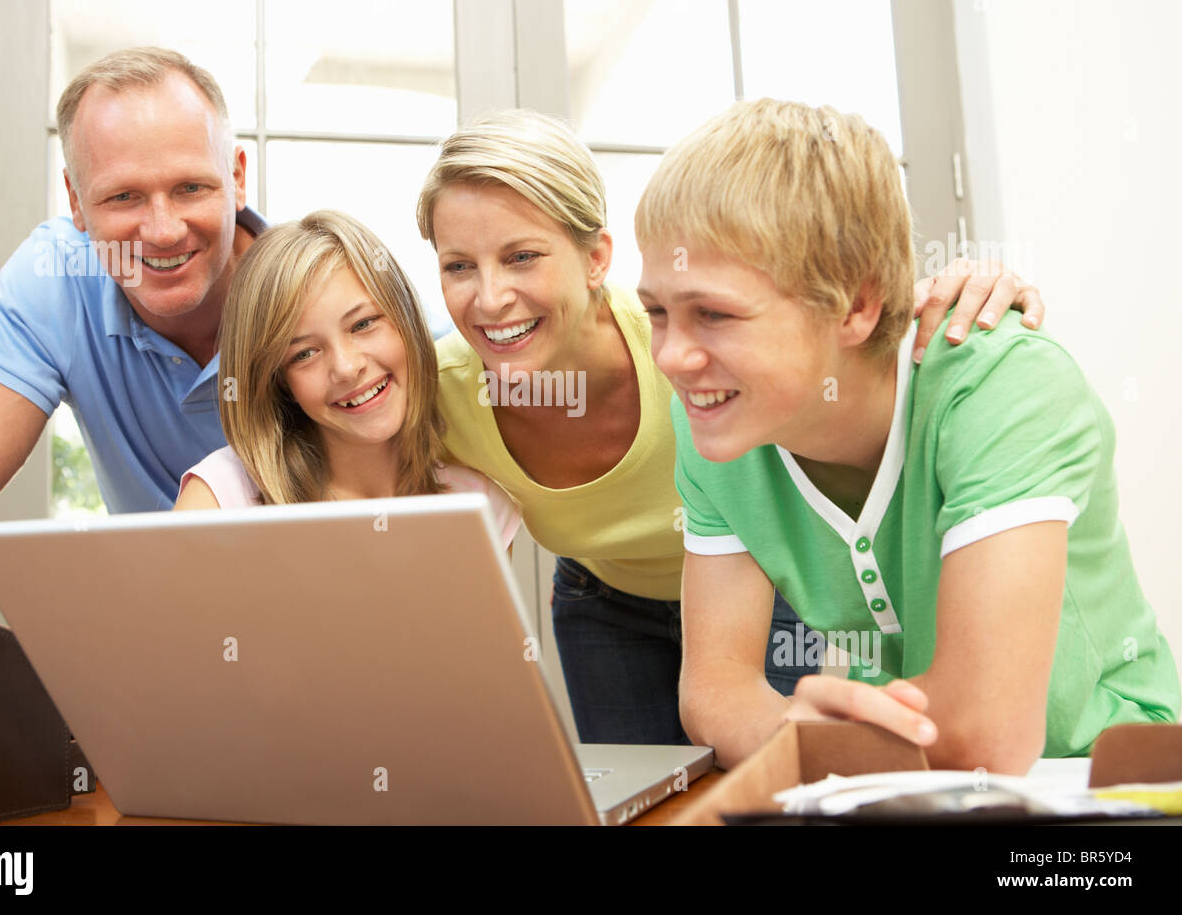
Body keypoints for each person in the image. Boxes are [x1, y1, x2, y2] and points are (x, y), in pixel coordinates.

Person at [415, 109, 1047, 746]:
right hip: (604, 599)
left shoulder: (690, 357)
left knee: (762, 773)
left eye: (521, 257)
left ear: (596, 257)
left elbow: (818, 325)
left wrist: (962, 286)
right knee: (644, 794)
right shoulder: (442, 395)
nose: (489, 298)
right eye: (458, 266)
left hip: (759, 582)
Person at [635, 98, 1180, 771]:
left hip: (1100, 779)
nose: (671, 357)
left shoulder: (1003, 385)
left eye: (713, 314)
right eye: (657, 312)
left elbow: (984, 732)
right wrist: (804, 741)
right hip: (899, 789)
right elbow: (714, 696)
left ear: (858, 305)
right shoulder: (716, 420)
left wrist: (801, 743)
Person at [0, 47, 265, 561]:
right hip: (159, 616)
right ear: (76, 200)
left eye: (190, 187)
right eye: (123, 197)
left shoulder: (314, 289)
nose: (163, 231)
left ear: (237, 178)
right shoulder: (56, 274)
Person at [173, 210, 520, 550]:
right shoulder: (221, 499)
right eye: (304, 354)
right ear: (281, 383)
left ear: (407, 321)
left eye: (363, 324)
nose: (346, 368)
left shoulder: (478, 505)